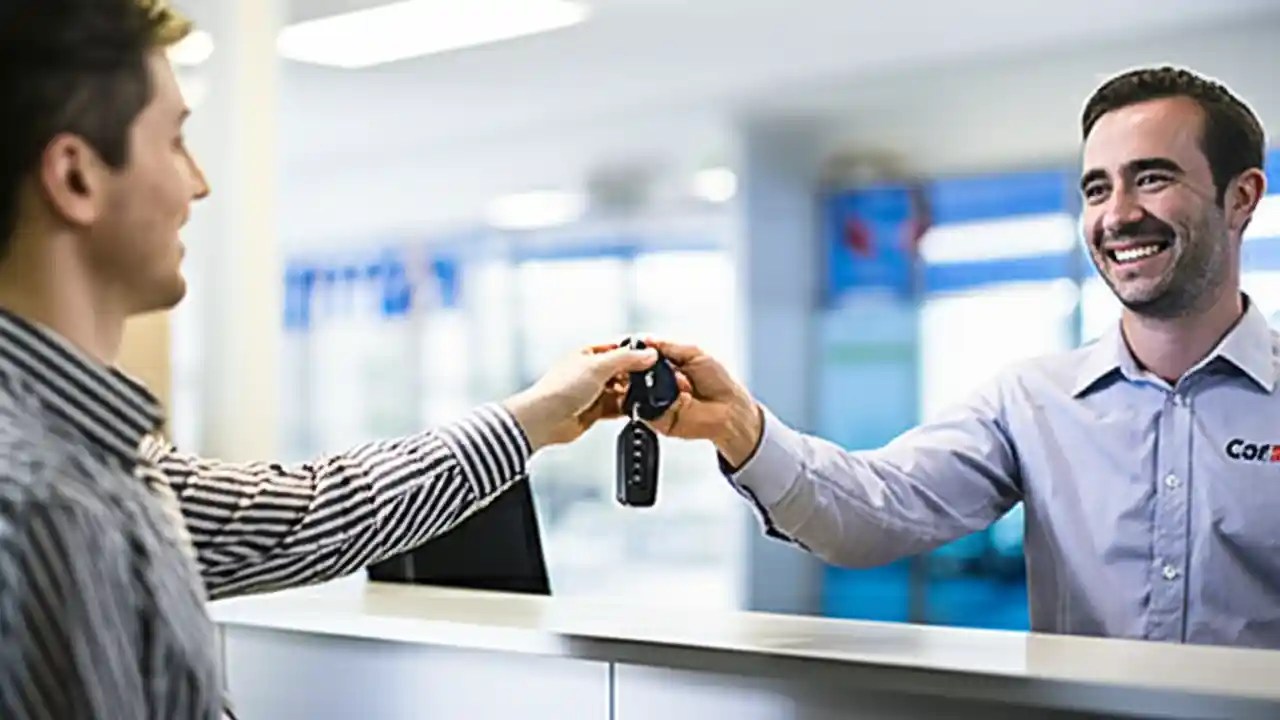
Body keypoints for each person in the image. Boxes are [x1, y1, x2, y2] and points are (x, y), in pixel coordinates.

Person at [0, 2, 658, 718]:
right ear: (76, 177)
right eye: (174, 140)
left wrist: (529, 419)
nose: (198, 184)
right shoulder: (42, 503)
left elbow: (312, 511)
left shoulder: (102, 461)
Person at [645, 65, 1278, 648]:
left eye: (1152, 178)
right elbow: (874, 510)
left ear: (1242, 197)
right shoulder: (1031, 402)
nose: (1117, 215)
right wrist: (740, 429)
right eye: (1096, 188)